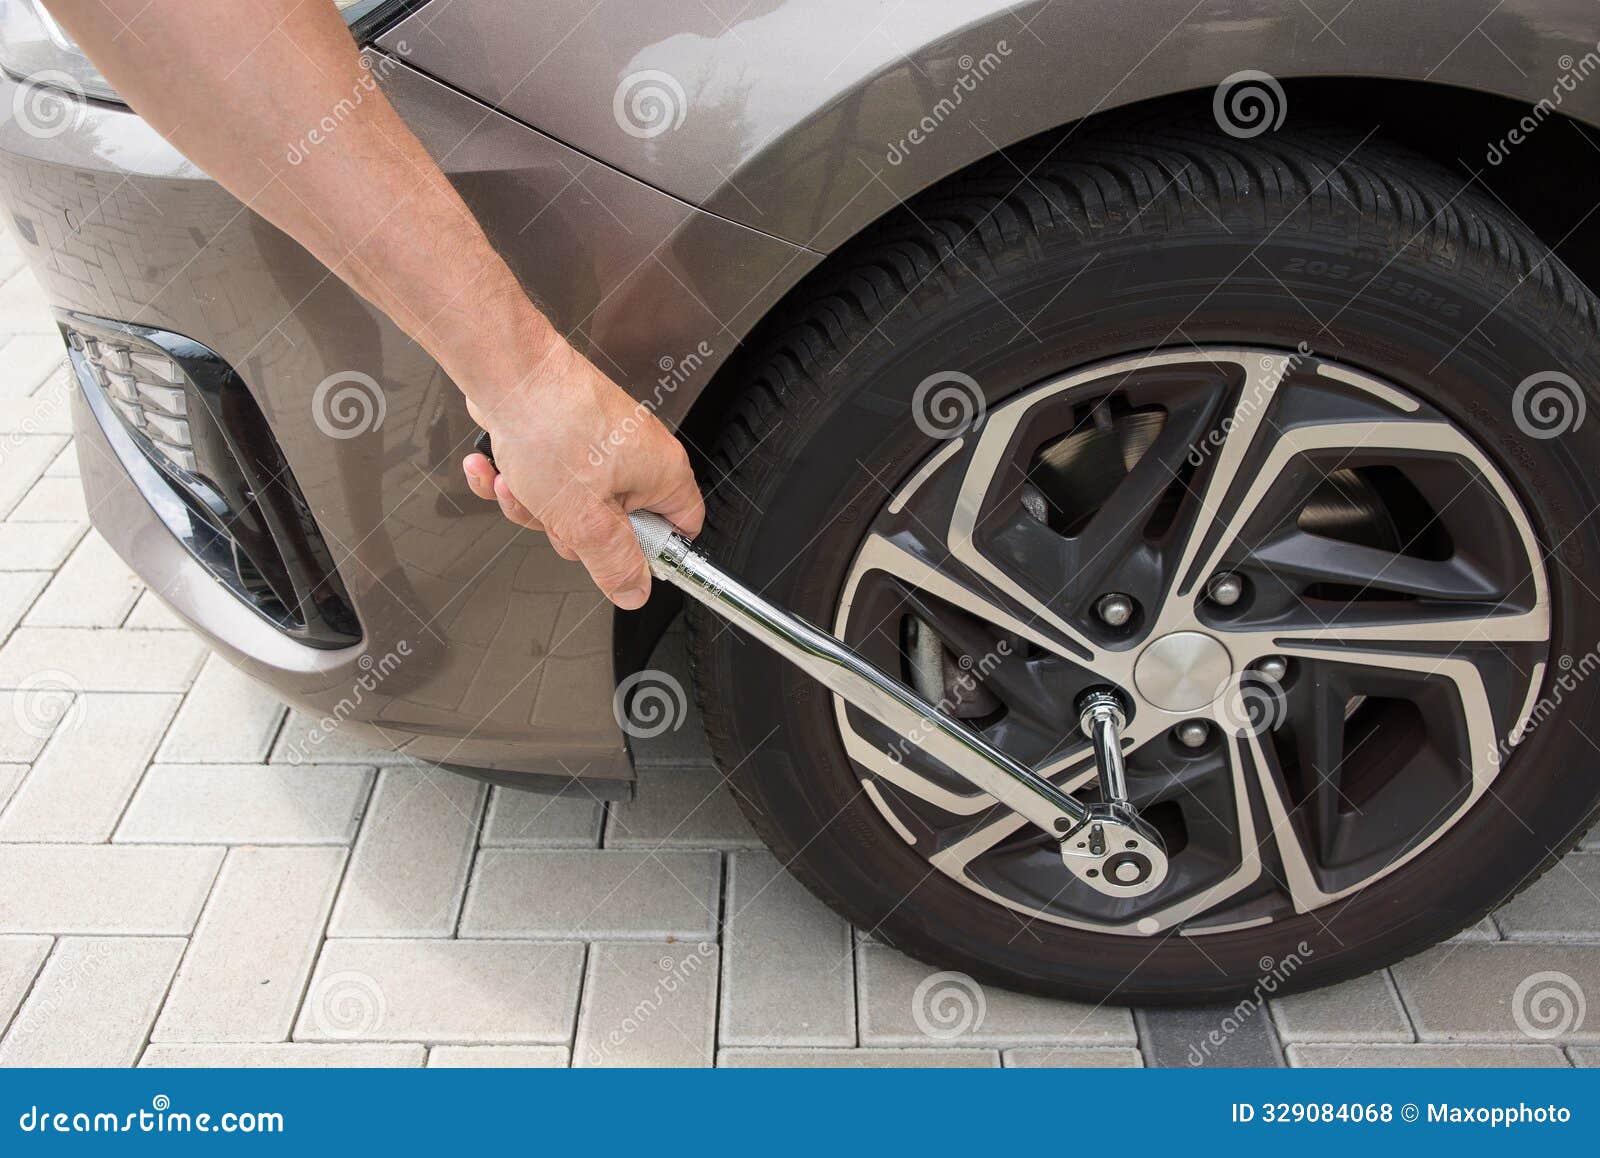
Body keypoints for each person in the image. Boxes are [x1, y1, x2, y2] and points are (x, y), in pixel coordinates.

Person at [45, 0, 705, 610]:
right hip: (317, 133)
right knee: (348, 366)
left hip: (383, 133)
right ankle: (371, 566)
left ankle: (407, 530)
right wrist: (529, 378)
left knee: (374, 364)